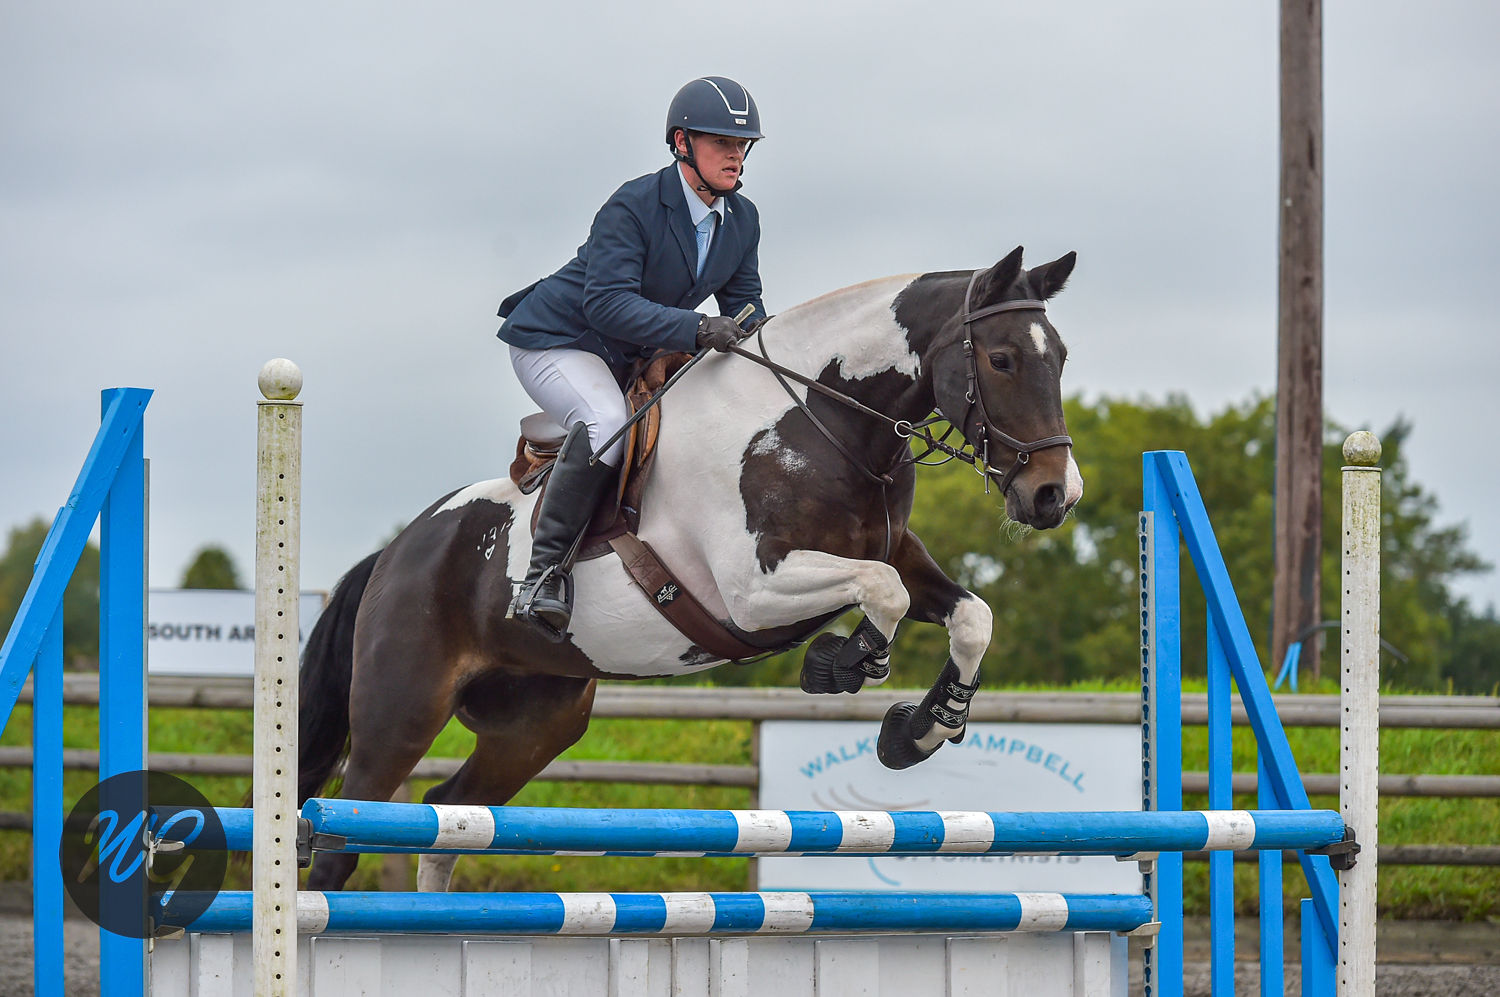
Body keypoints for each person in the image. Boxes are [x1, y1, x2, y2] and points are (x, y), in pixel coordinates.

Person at [496, 76, 768, 641]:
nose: (735, 154)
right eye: (721, 141)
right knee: (609, 423)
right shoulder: (634, 204)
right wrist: (697, 328)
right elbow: (608, 304)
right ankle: (544, 573)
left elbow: (746, 309)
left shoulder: (741, 219)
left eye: (742, 144)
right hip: (559, 340)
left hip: (623, 356)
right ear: (681, 143)